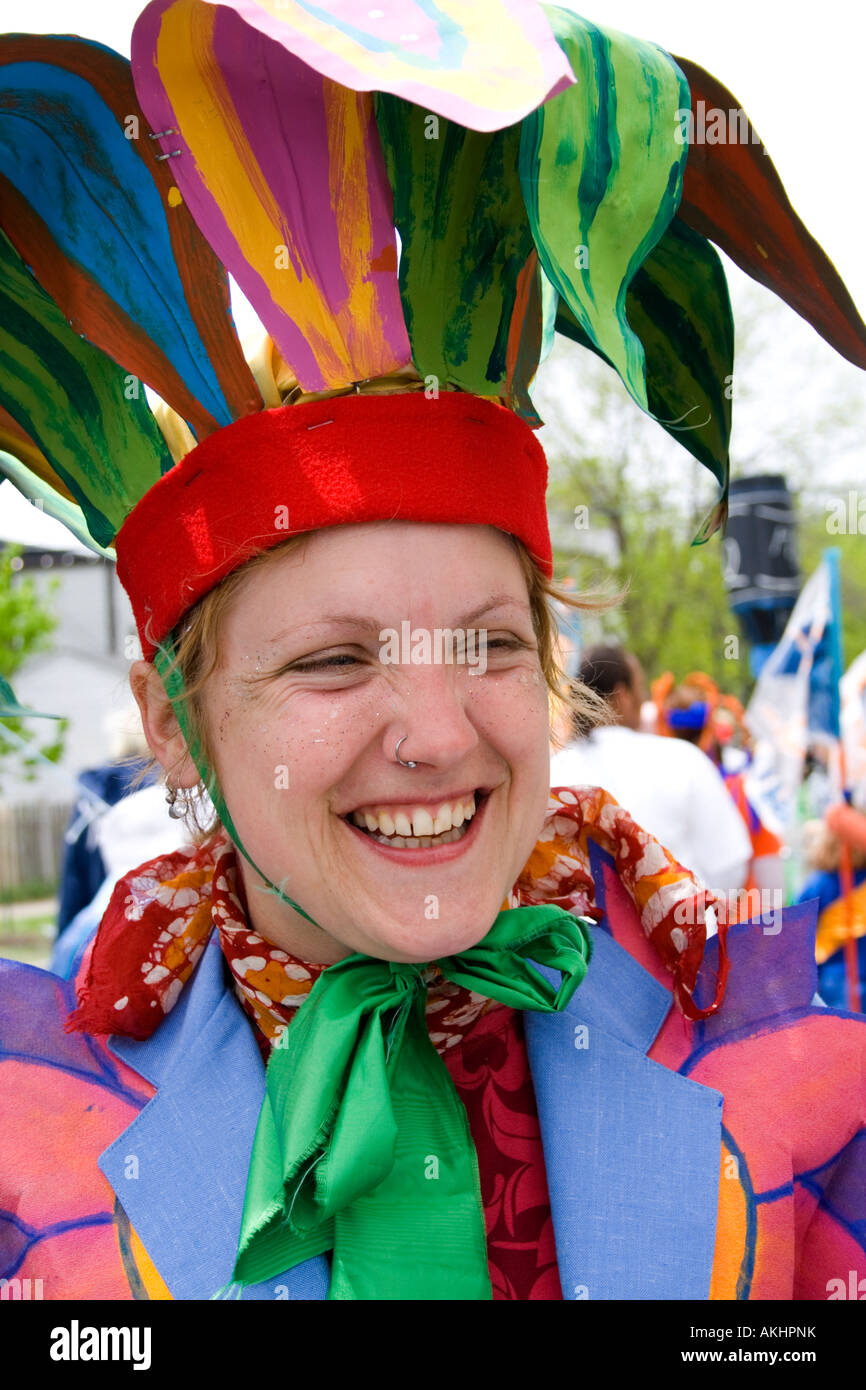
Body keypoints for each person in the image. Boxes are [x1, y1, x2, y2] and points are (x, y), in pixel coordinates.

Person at [1, 0, 865, 1304]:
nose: (439, 731)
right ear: (172, 723)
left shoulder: (791, 1037)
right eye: (333, 661)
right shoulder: (31, 1124)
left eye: (488, 643)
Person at [551, 646, 752, 895]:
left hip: (579, 931)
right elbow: (729, 864)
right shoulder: (683, 759)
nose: (644, 696)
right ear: (621, 696)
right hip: (683, 924)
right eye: (640, 687)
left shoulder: (553, 771)